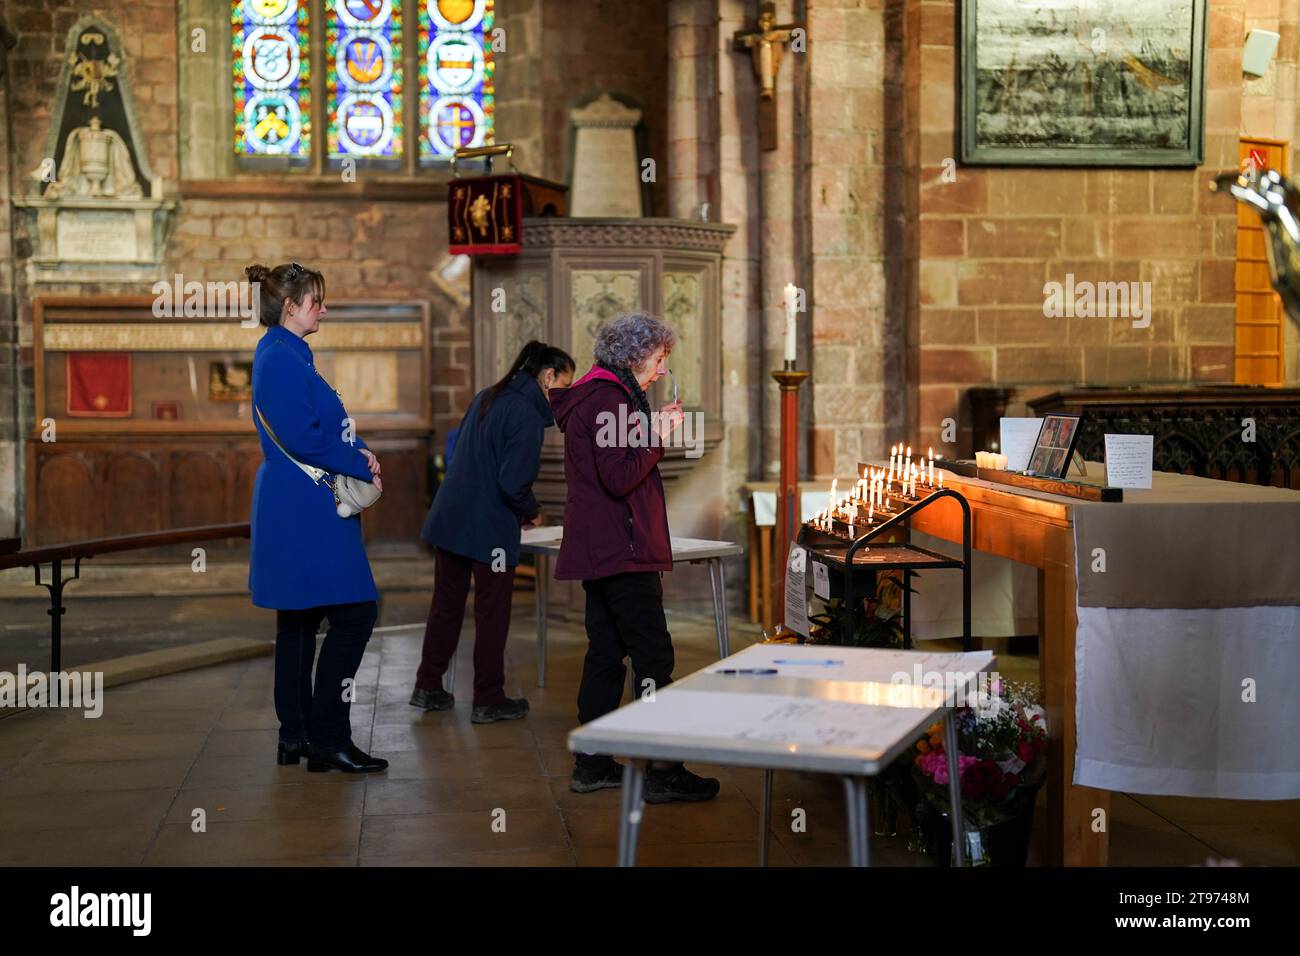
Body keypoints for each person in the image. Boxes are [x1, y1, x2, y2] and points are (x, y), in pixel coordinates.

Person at [549, 312, 720, 802]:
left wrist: (650, 426)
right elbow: (620, 477)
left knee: (606, 652)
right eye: (660, 358)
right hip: (621, 550)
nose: (663, 369)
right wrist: (659, 434)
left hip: (605, 546)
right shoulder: (607, 397)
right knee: (652, 655)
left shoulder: (605, 393)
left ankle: (593, 763)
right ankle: (662, 770)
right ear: (634, 355)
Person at [247, 261, 388, 774]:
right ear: (290, 306)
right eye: (315, 301)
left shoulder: (285, 354)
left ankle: (297, 734)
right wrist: (358, 462)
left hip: (298, 498)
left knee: (301, 619)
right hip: (306, 504)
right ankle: (328, 736)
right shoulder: (281, 358)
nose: (323, 309)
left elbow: (326, 427)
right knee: (356, 613)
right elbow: (304, 438)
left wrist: (361, 450)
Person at [410, 341, 575, 722]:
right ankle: (487, 697)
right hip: (488, 528)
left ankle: (428, 686)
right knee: (492, 613)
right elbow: (513, 482)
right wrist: (533, 513)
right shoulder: (527, 413)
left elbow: (464, 458)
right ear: (547, 376)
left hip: (451, 519)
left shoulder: (489, 395)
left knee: (445, 607)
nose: (565, 395)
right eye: (566, 384)